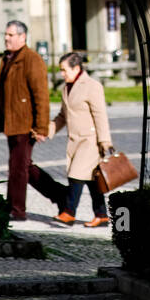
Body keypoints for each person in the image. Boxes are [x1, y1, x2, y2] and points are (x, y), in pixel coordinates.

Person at [0, 20, 67, 222]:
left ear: (22, 37)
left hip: (25, 125)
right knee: (24, 166)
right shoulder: (9, 58)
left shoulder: (31, 59)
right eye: (6, 34)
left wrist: (41, 127)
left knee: (18, 168)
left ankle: (16, 210)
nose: (6, 38)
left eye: (10, 35)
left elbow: (41, 95)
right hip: (12, 122)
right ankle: (61, 195)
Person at [41, 52, 114, 228]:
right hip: (74, 141)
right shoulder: (66, 87)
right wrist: (47, 131)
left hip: (90, 141)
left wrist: (105, 141)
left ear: (76, 68)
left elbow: (100, 115)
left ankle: (68, 212)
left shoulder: (92, 86)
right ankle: (102, 215)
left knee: (76, 176)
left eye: (64, 70)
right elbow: (62, 116)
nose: (62, 74)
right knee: (91, 180)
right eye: (61, 70)